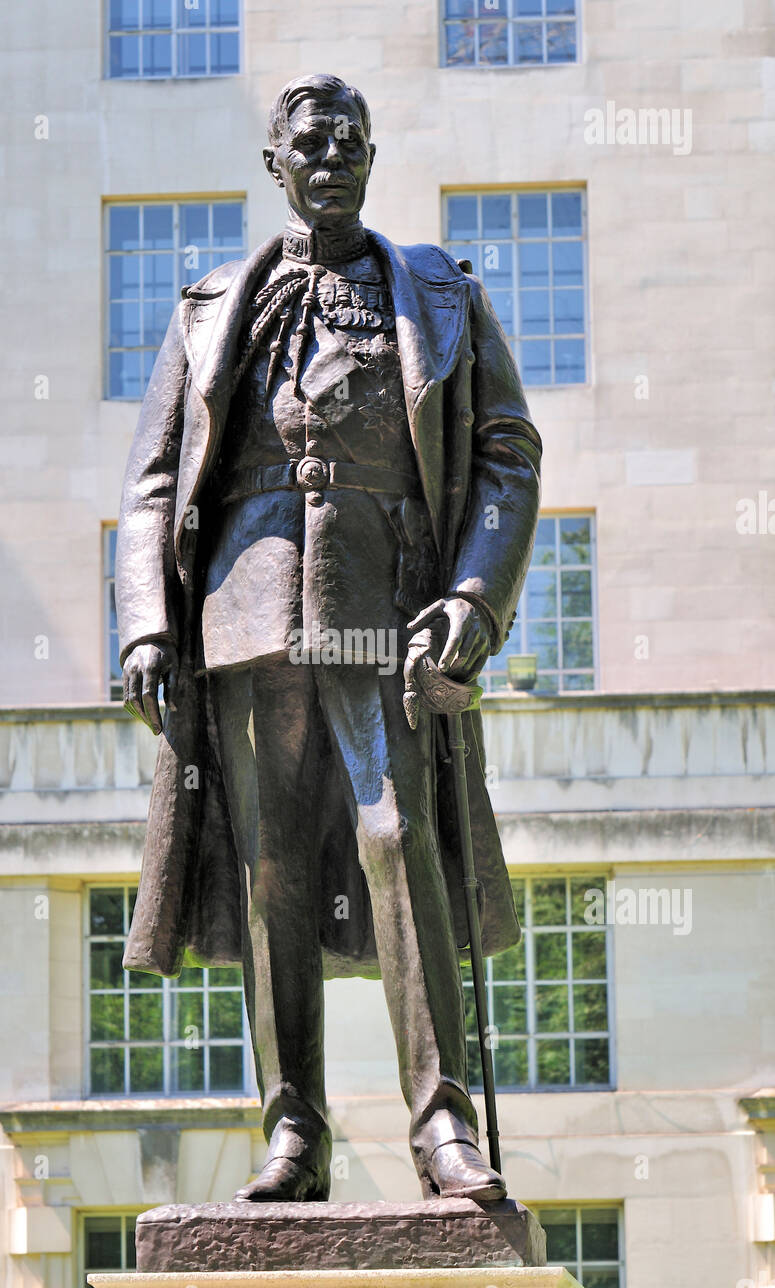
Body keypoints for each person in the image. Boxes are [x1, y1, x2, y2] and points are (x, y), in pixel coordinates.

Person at [116, 73, 542, 1203]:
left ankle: (441, 1126)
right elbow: (152, 483)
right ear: (276, 162)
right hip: (248, 621)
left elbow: (506, 454)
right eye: (311, 141)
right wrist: (146, 624)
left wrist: (473, 596)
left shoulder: (438, 291)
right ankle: (291, 1128)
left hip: (386, 612)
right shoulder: (213, 304)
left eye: (352, 139)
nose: (333, 155)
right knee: (271, 876)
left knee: (399, 841)